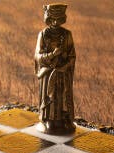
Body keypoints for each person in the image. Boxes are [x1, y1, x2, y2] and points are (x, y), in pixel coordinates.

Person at [34, 3, 76, 135]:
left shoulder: (67, 35)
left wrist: (65, 66)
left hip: (62, 73)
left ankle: (62, 119)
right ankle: (48, 119)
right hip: (47, 73)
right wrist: (53, 54)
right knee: (49, 98)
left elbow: (72, 56)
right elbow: (38, 57)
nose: (56, 22)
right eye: (53, 19)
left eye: (59, 19)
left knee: (61, 96)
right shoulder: (43, 35)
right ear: (48, 18)